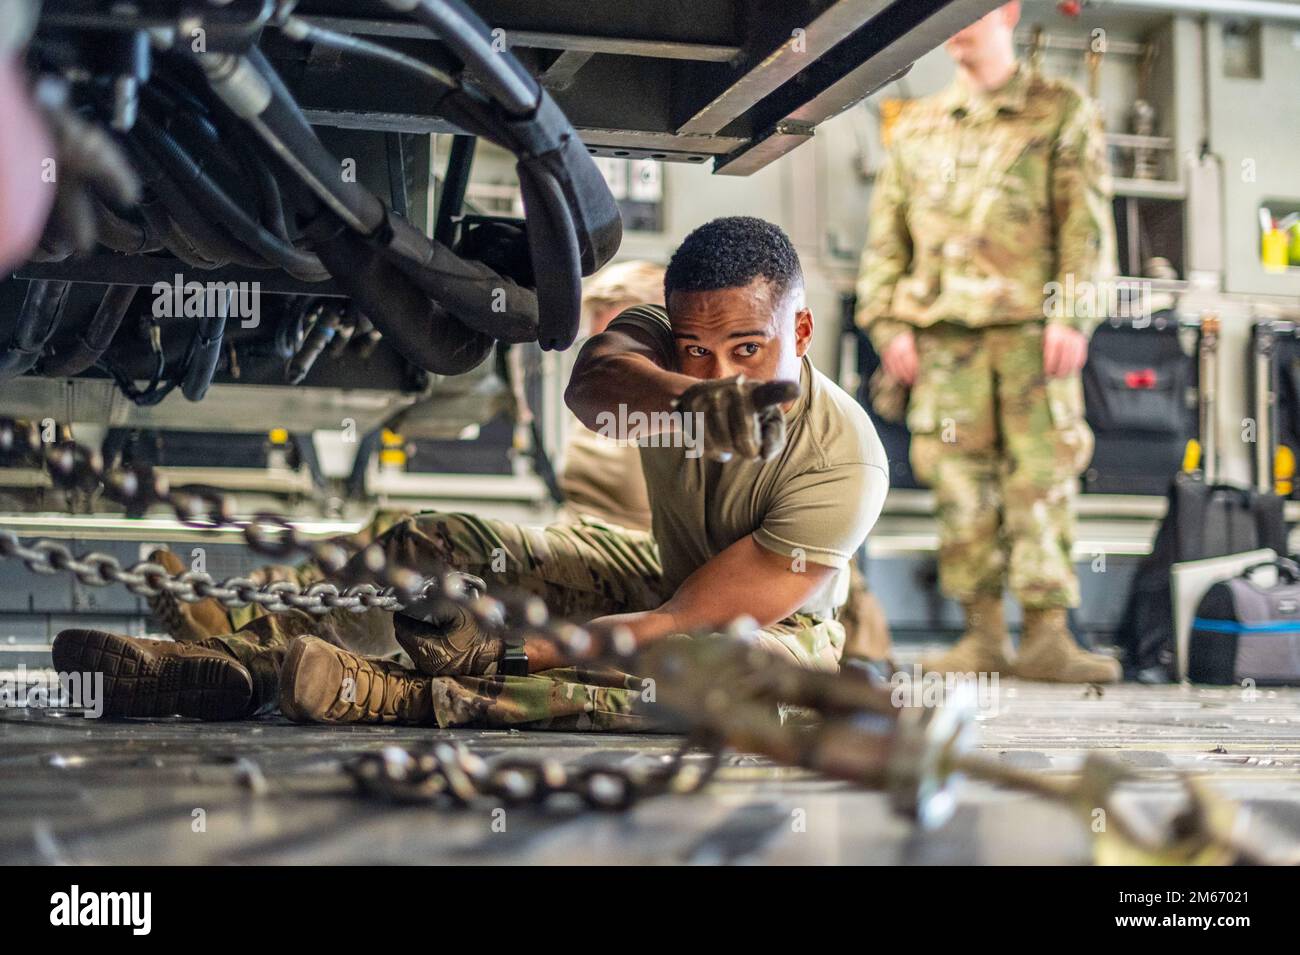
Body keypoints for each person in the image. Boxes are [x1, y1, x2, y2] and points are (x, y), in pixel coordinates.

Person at [55, 216, 890, 726]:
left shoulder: (843, 459)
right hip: (657, 568)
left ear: (804, 330)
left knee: (715, 680)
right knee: (433, 542)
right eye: (696, 349)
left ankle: (392, 693)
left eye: (749, 352)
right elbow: (595, 385)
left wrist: (505, 652)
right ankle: (239, 662)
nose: (718, 372)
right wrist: (690, 405)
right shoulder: (668, 355)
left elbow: (678, 620)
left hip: (760, 629)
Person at [855, 1, 1120, 683]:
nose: (956, 21)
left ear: (1008, 10)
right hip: (943, 342)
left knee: (1042, 477)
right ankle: (980, 636)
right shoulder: (916, 128)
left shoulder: (1061, 109)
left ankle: (1044, 636)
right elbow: (886, 244)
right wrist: (890, 325)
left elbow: (1085, 226)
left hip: (1034, 333)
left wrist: (1072, 313)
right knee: (957, 487)